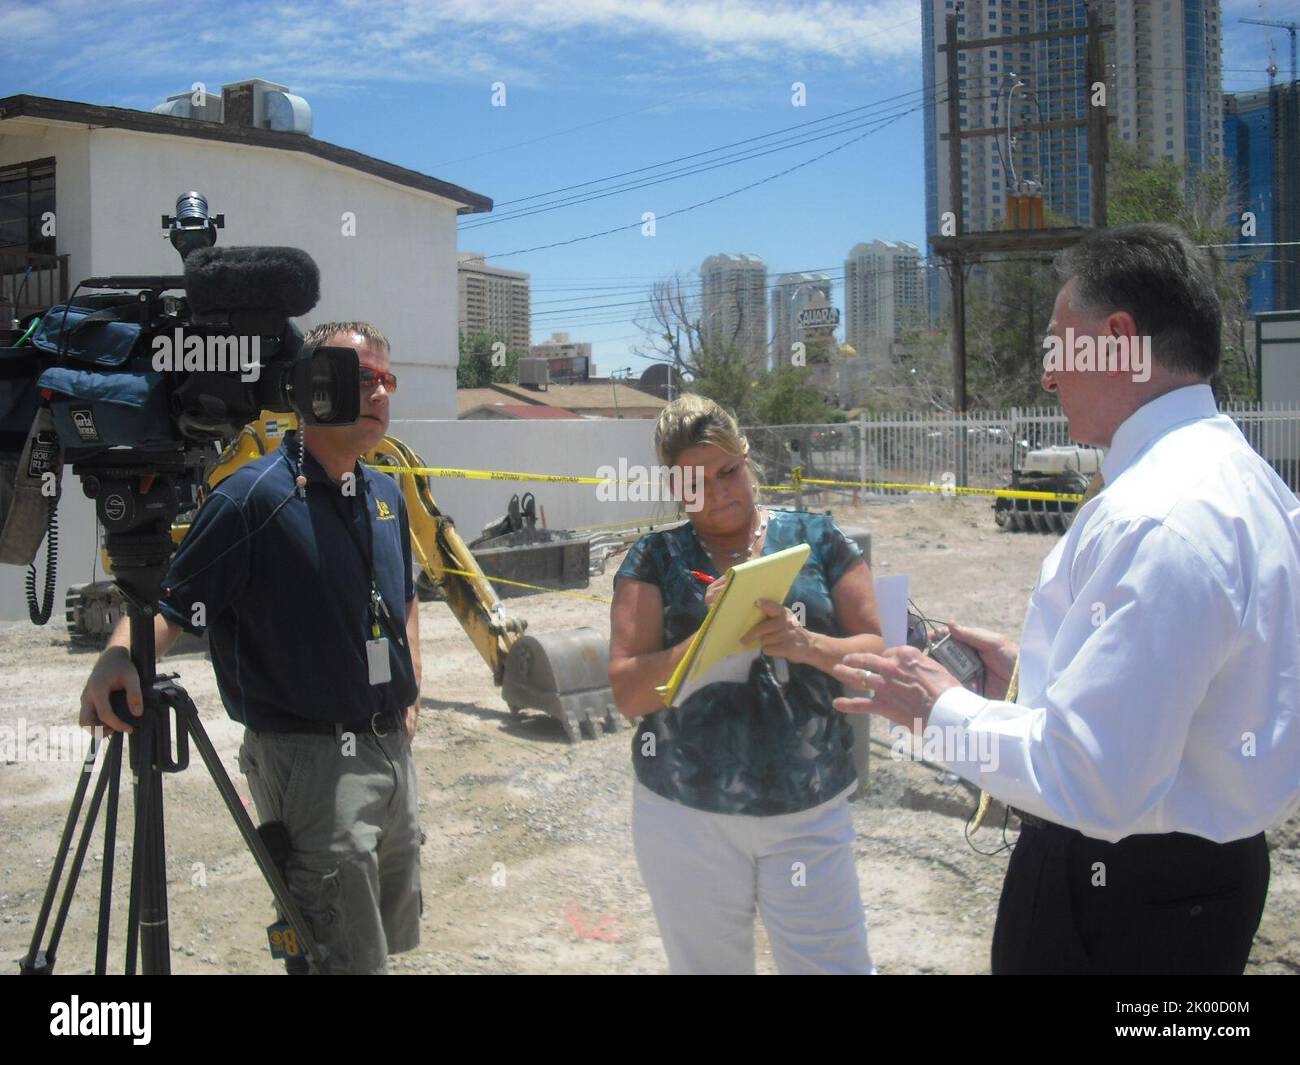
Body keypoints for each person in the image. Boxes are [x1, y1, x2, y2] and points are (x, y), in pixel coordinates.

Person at [833, 223, 1300, 975]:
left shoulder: (1157, 511)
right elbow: (1210, 686)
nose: (1048, 377)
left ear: (1116, 340)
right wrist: (1026, 681)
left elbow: (1095, 780)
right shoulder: (1248, 481)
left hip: (1116, 903)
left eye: (1058, 346)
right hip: (1200, 887)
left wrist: (938, 711)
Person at [79, 321, 423, 975]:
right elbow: (173, 605)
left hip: (390, 748)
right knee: (334, 952)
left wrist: (412, 692)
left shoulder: (384, 493)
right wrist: (119, 655)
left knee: (383, 938)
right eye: (364, 378)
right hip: (310, 762)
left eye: (388, 379)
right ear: (313, 389)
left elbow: (403, 598)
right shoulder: (252, 498)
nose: (380, 393)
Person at [608, 394, 885, 974]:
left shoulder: (819, 537)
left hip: (808, 809)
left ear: (748, 457)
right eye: (695, 482)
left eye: (728, 471)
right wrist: (711, 636)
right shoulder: (654, 559)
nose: (718, 493)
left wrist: (808, 644)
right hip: (686, 815)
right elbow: (630, 692)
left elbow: (878, 656)